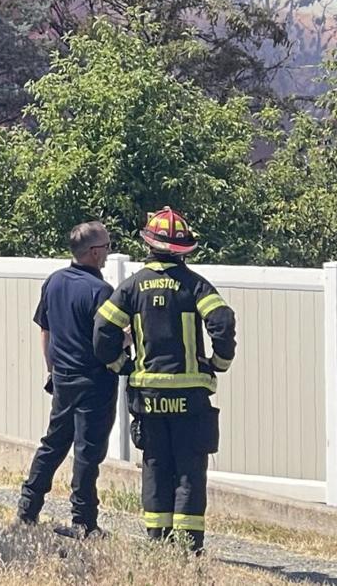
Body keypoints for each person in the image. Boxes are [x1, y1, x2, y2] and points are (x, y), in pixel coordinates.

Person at [93, 207, 237, 554]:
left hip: (149, 397)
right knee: (190, 468)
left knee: (155, 465)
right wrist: (219, 362)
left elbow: (102, 329)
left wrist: (120, 364)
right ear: (184, 249)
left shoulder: (132, 287)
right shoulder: (195, 285)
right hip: (190, 397)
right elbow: (222, 321)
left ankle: (158, 541)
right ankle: (188, 546)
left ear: (149, 244)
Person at [17, 220, 121, 537]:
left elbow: (45, 330)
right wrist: (127, 342)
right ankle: (84, 521)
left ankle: (27, 509)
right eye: (107, 246)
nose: (108, 252)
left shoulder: (55, 282)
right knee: (87, 453)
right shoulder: (100, 291)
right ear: (94, 252)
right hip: (94, 382)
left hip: (63, 377)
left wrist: (52, 369)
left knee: (53, 444)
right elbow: (107, 340)